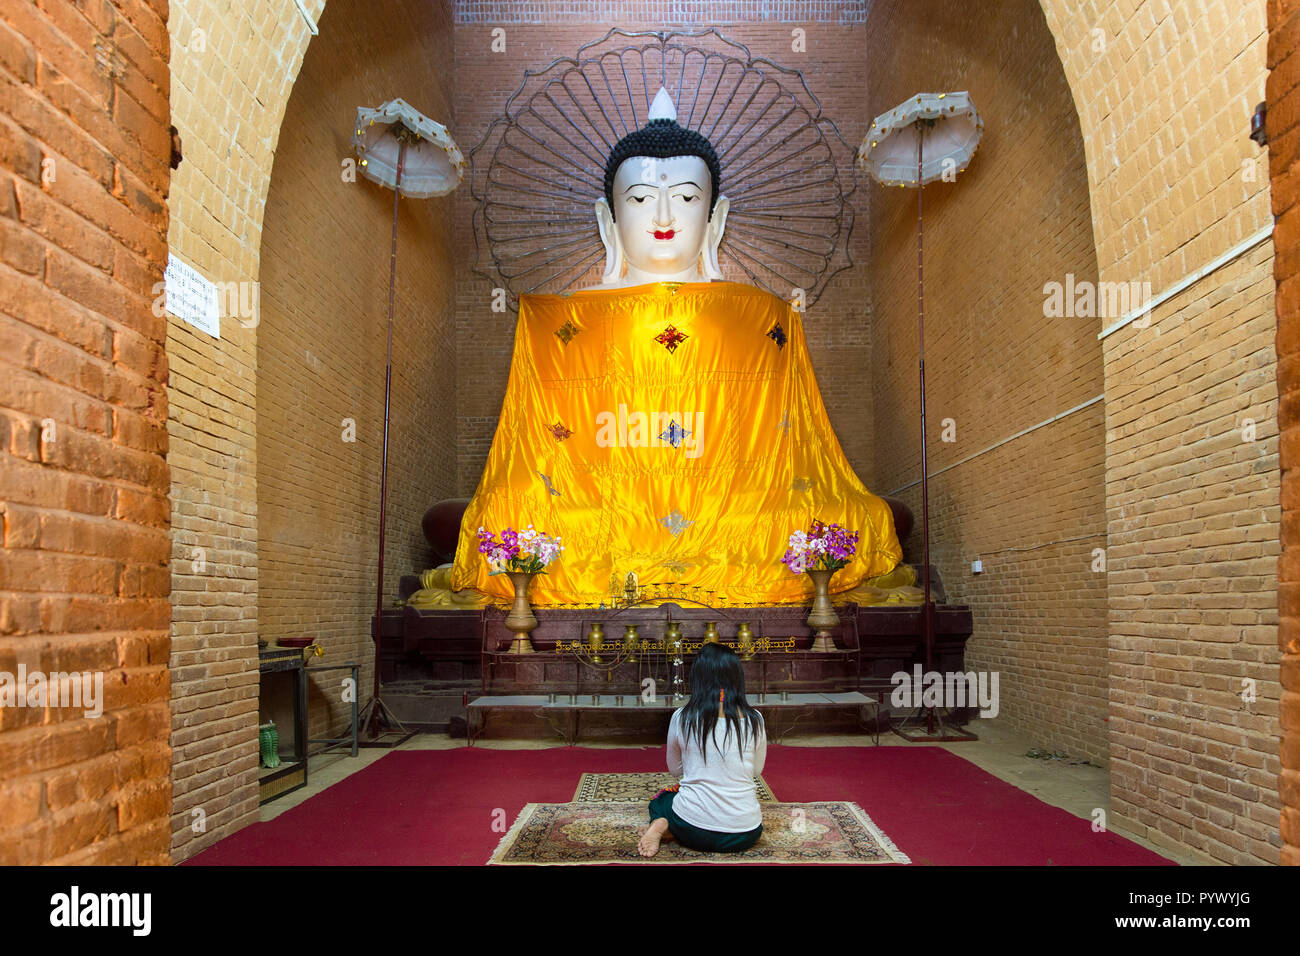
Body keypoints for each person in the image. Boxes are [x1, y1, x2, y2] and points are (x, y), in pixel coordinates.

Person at [638, 641, 767, 857]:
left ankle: (663, 825)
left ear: (698, 679)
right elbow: (755, 772)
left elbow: (675, 769)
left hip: (694, 831)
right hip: (746, 833)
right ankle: (673, 826)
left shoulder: (682, 717)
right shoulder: (755, 719)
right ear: (737, 679)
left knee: (661, 801)